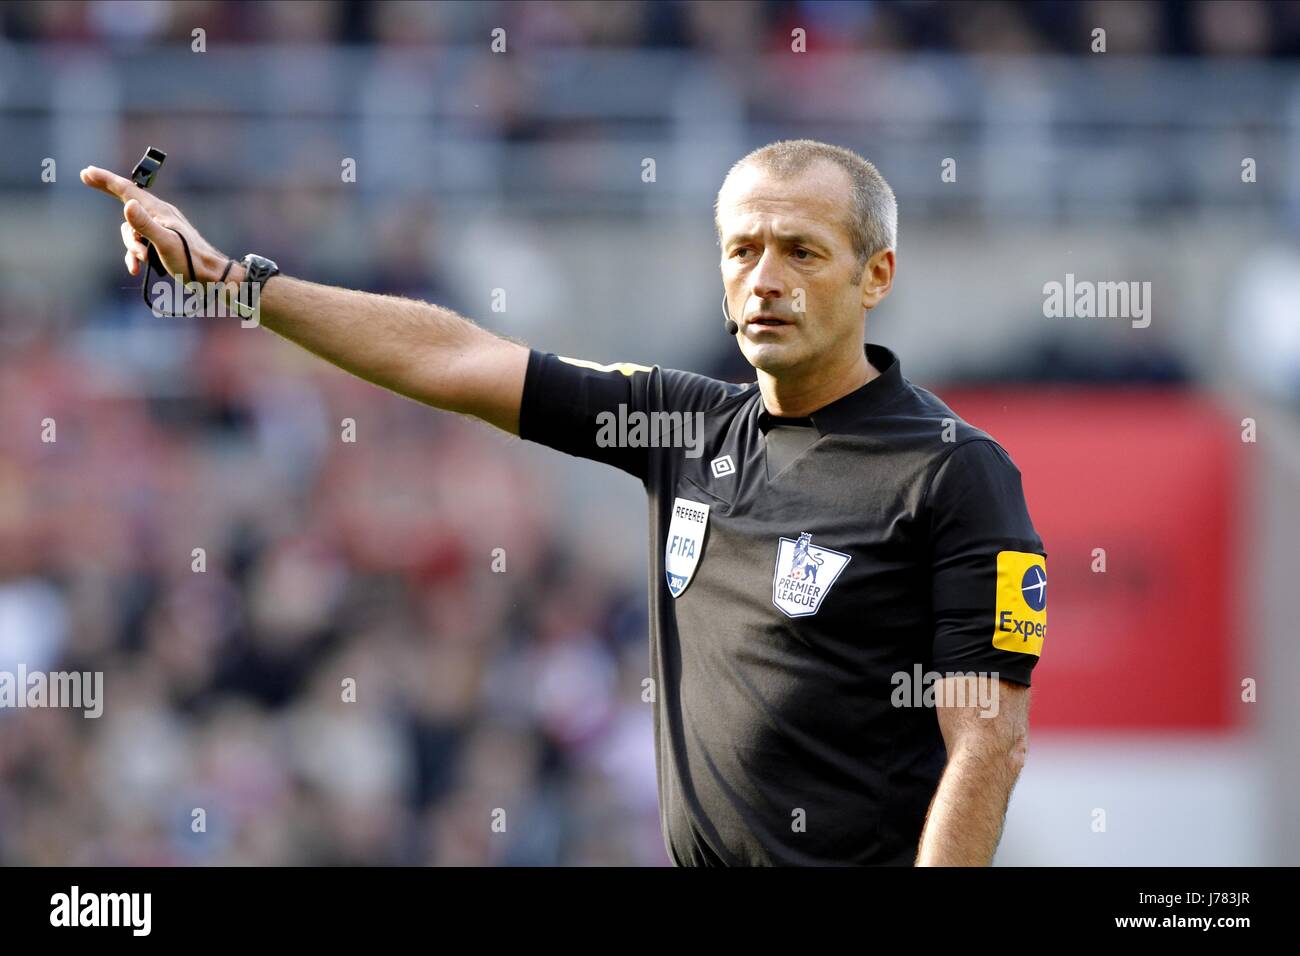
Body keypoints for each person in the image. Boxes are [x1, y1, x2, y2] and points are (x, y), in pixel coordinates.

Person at [81, 138, 1047, 866]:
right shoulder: (682, 429)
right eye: (744, 249)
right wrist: (234, 285)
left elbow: (989, 741)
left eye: (802, 251)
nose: (766, 279)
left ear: (875, 274)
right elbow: (455, 357)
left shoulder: (955, 473)